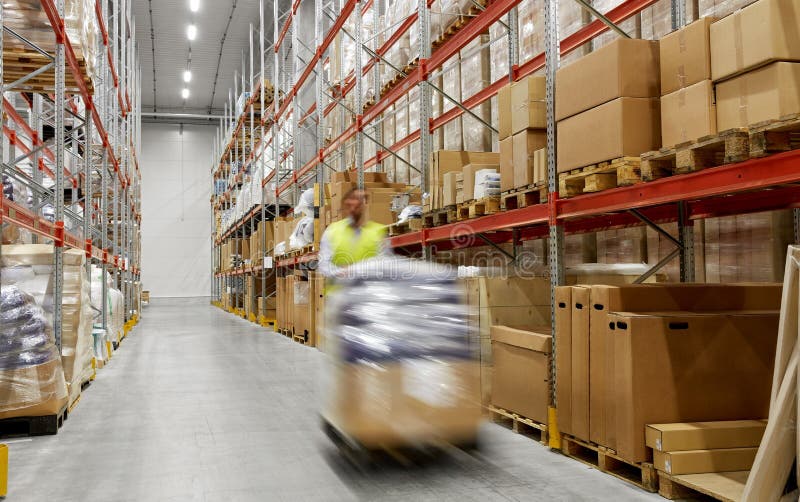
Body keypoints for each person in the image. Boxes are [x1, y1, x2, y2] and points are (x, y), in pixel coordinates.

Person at [317, 188, 389, 278]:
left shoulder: (379, 231)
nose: (354, 206)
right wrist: (341, 271)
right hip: (340, 286)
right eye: (351, 201)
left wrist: (356, 270)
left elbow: (385, 265)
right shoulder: (332, 231)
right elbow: (324, 265)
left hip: (368, 285)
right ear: (346, 205)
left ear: (367, 204)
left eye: (360, 201)